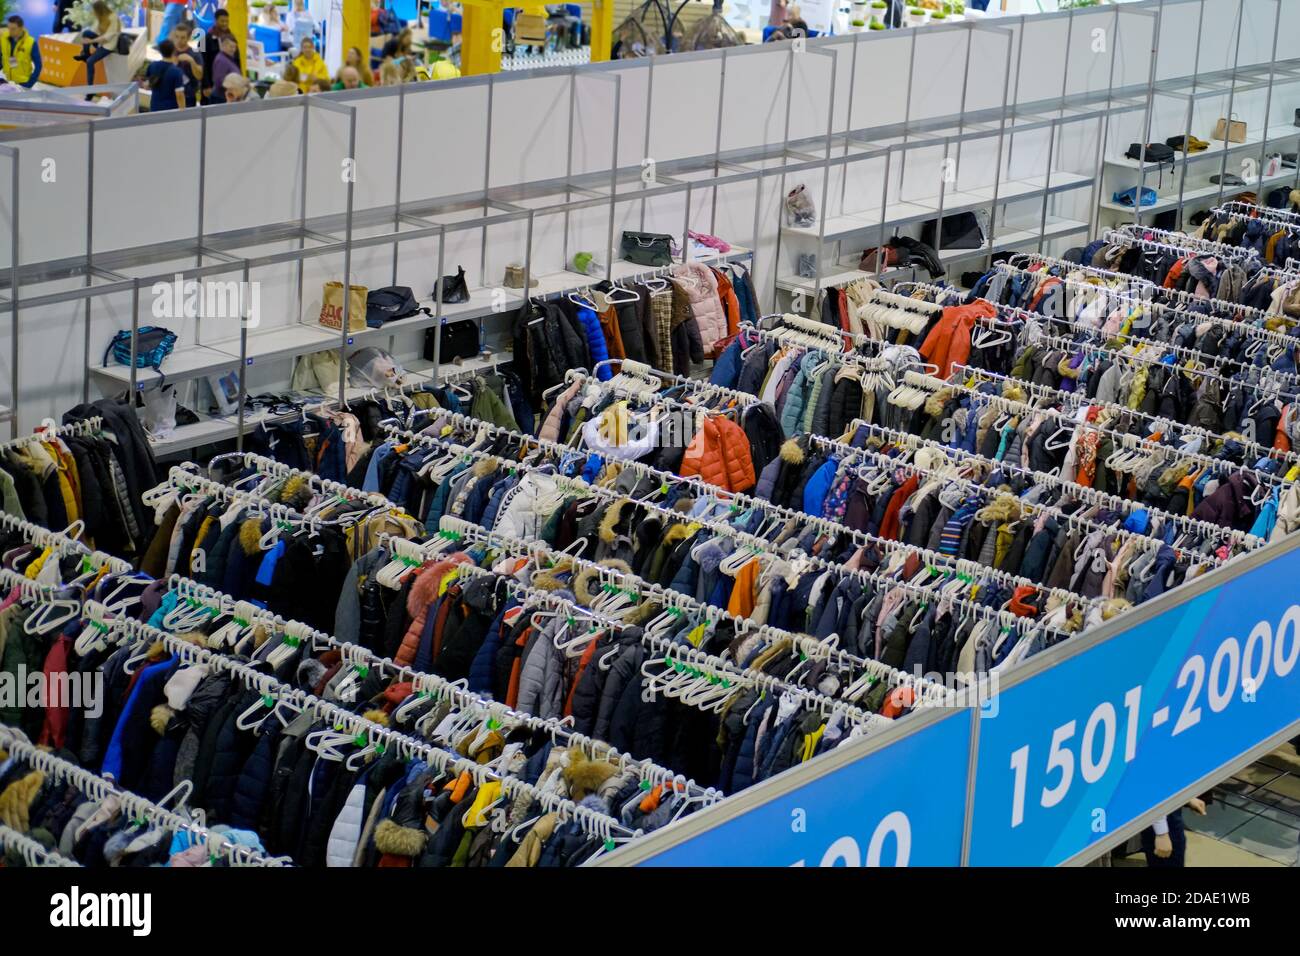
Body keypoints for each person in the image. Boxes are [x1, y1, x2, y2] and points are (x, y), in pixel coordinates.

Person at [1140, 797, 1208, 868]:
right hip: (1162, 815)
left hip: (1166, 809)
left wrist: (1186, 796)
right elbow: (1151, 792)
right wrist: (1161, 833)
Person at [73, 1, 122, 84]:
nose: (93, 12)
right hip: (100, 41)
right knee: (86, 33)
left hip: (109, 45)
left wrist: (91, 41)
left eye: (94, 10)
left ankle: (90, 91)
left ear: (99, 10)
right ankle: (85, 54)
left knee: (90, 61)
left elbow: (107, 37)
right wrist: (85, 40)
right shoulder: (100, 16)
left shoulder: (113, 17)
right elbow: (94, 30)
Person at [202, 8, 240, 101]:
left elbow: (237, 60)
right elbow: (203, 63)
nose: (225, 24)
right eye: (222, 21)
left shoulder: (231, 37)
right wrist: (206, 85)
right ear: (215, 20)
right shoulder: (205, 39)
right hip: (212, 84)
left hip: (230, 86)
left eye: (227, 21)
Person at [145, 39, 187, 111]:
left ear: (160, 51)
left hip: (154, 106)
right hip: (170, 110)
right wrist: (183, 110)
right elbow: (179, 94)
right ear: (174, 51)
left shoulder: (152, 65)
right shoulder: (177, 72)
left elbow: (147, 83)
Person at [1, 15, 41, 89]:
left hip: (23, 83)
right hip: (7, 81)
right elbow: (5, 56)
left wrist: (30, 83)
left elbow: (39, 65)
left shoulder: (30, 43)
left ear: (21, 28)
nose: (10, 31)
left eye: (13, 29)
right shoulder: (4, 38)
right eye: (9, 28)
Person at [169, 22, 203, 107]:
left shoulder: (195, 54)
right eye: (177, 37)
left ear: (188, 38)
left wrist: (191, 61)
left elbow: (199, 75)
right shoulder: (169, 52)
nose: (179, 40)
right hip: (170, 96)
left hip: (188, 97)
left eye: (182, 38)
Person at [207, 34, 241, 103]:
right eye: (231, 47)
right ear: (223, 46)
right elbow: (219, 81)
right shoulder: (221, 60)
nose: (233, 50)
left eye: (235, 47)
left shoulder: (228, 58)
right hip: (221, 98)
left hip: (226, 96)